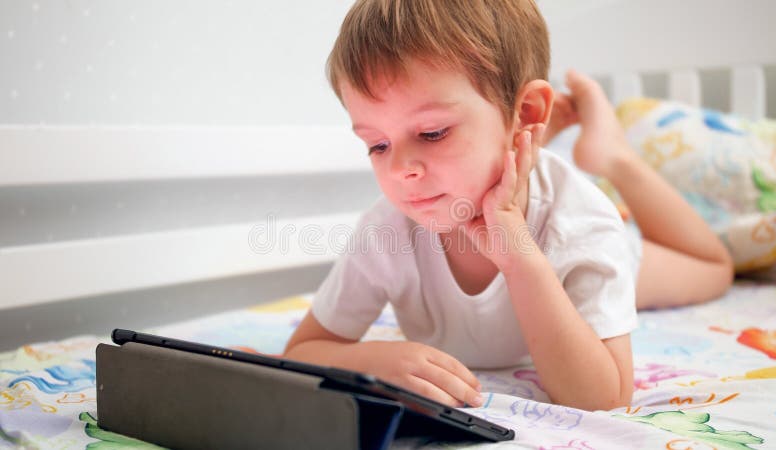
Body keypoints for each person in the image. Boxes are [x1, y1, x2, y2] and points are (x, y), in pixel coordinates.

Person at [284, 0, 734, 411]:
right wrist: (370, 361)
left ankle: (613, 157)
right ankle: (520, 146)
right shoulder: (387, 231)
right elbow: (302, 351)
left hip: (592, 247)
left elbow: (605, 397)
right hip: (515, 163)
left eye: (432, 133)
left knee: (714, 269)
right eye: (377, 145)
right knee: (488, 162)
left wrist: (518, 256)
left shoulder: (583, 222)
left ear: (528, 110)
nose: (401, 169)